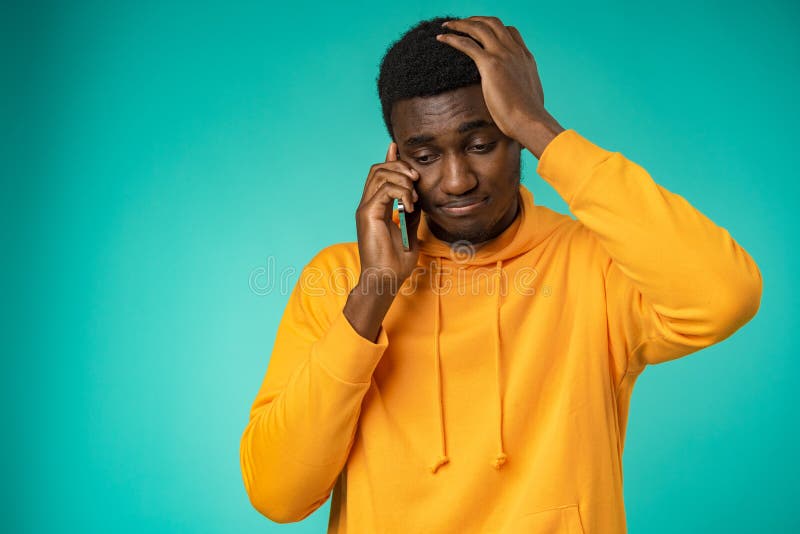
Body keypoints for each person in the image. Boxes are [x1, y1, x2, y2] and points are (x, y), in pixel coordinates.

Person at [239, 15, 762, 533]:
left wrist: (542, 127)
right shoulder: (340, 281)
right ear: (396, 160)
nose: (457, 179)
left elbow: (725, 295)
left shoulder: (594, 264)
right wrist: (372, 296)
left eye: (482, 144)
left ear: (516, 137)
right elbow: (279, 495)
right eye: (425, 155)